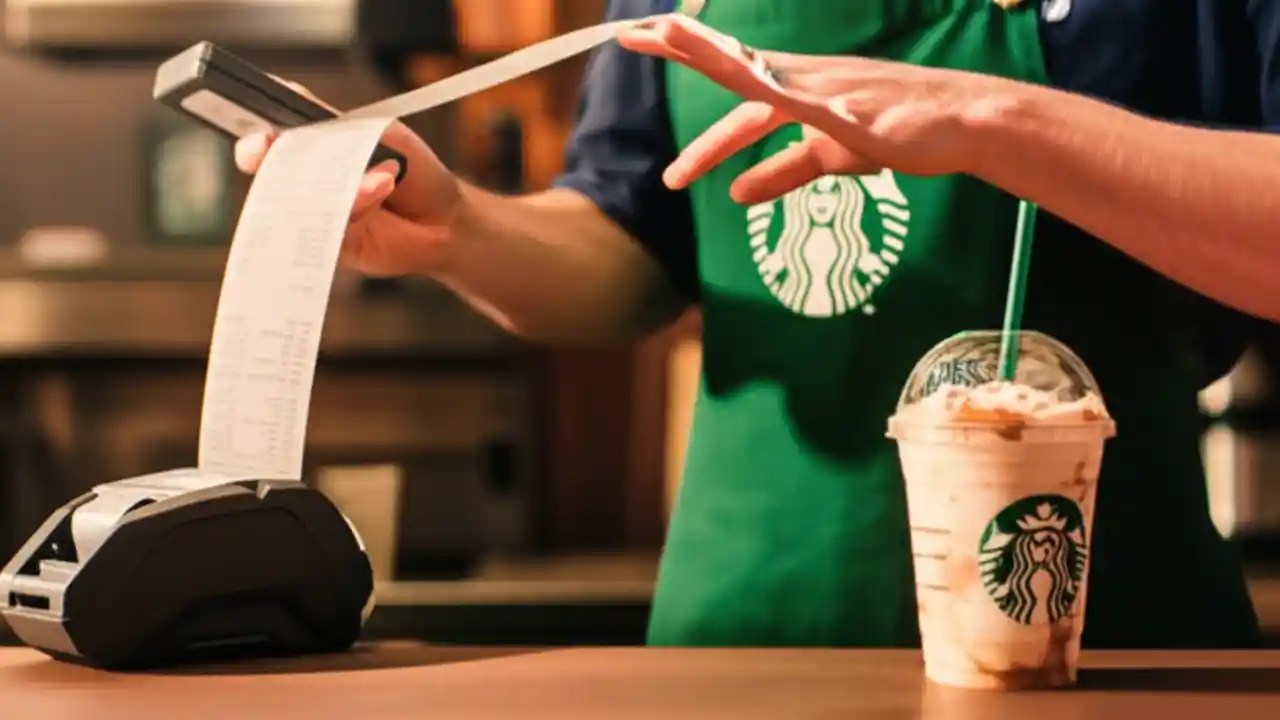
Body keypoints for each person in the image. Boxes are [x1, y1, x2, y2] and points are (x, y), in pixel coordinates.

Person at [236, 0, 1278, 650]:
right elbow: (628, 243)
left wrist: (994, 120)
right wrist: (458, 229)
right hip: (737, 653)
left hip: (1108, 654)